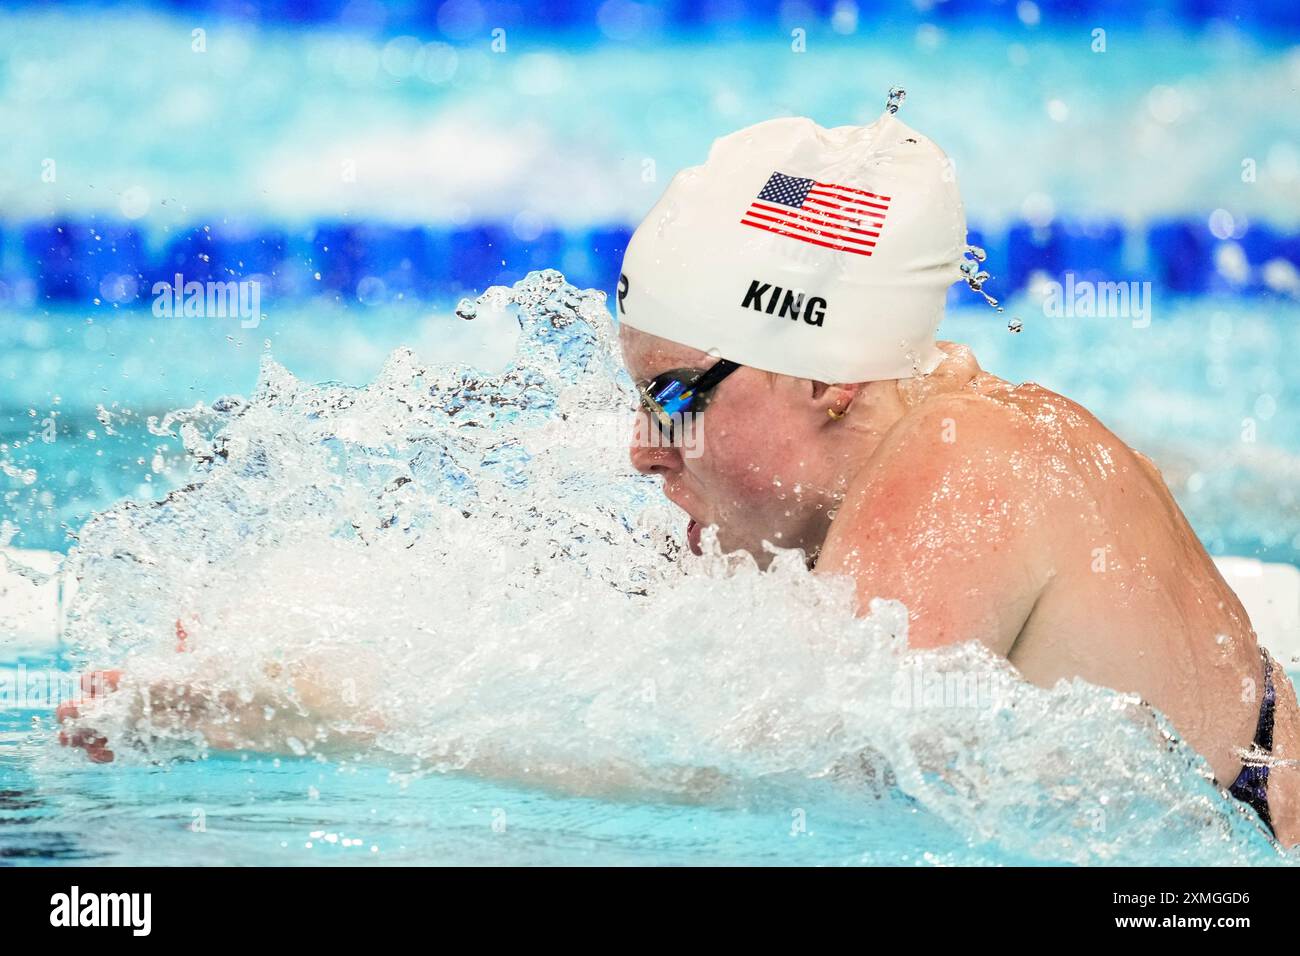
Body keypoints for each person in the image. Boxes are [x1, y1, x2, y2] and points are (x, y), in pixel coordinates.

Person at [615, 106, 1299, 845]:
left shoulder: (958, 463)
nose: (643, 447)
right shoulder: (938, 430)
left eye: (674, 396)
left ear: (825, 376)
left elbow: (804, 814)